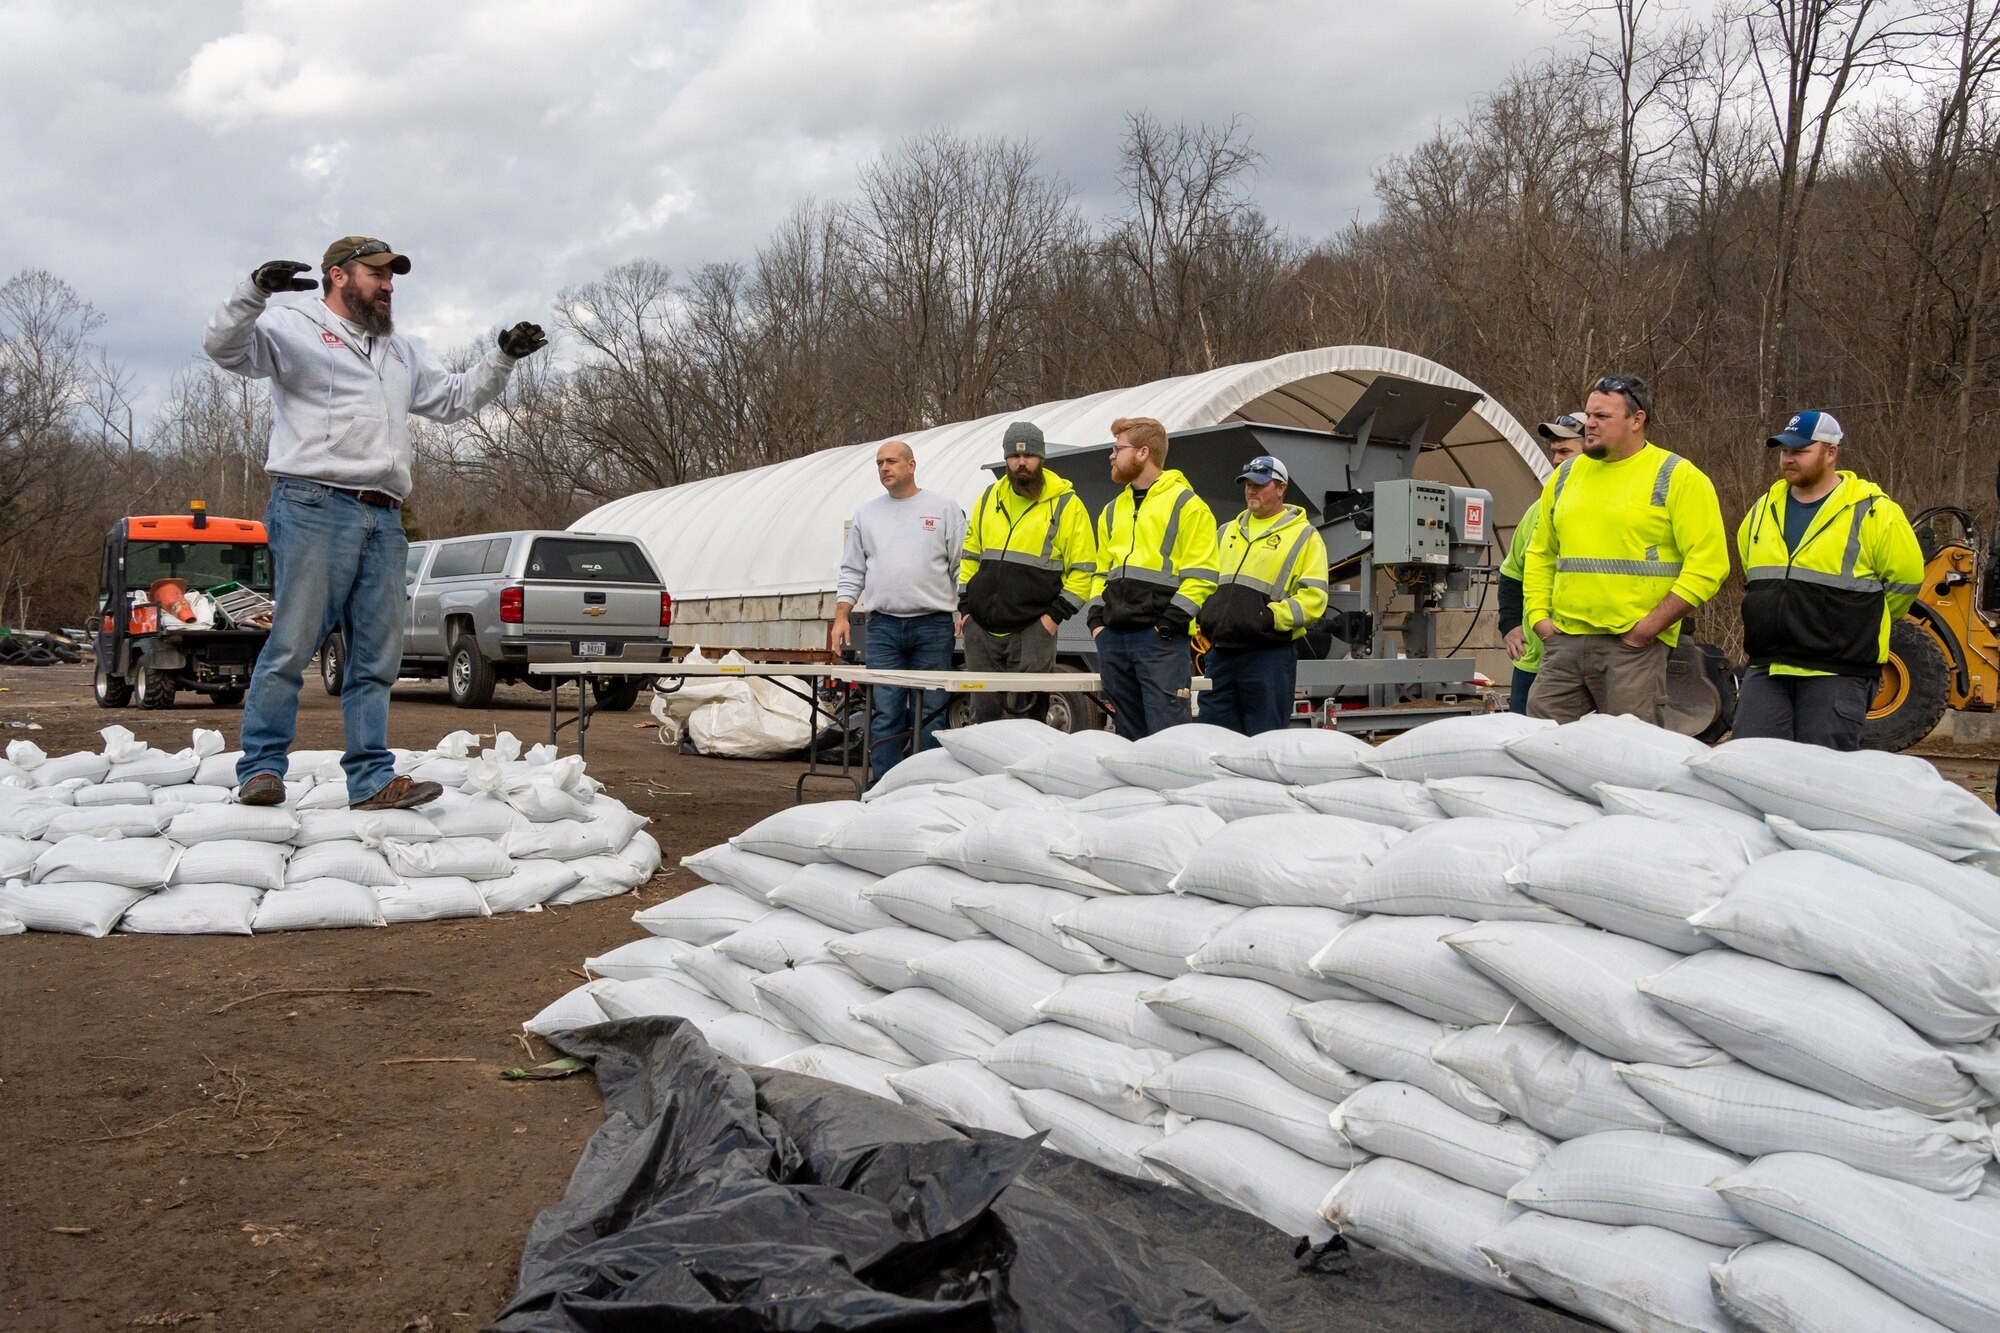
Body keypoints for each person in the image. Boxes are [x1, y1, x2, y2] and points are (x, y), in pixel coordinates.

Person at [204, 236, 545, 809]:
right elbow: (226, 350)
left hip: (384, 517)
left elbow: (456, 399)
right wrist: (254, 292)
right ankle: (260, 770)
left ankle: (370, 778)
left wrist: (503, 357)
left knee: (376, 656)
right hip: (313, 505)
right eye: (377, 275)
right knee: (292, 643)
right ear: (338, 276)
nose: (388, 287)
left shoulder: (399, 353)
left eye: (392, 278)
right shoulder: (295, 327)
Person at [1522, 375, 1729, 726]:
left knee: (1629, 755)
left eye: (1602, 416)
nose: (1589, 424)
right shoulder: (1566, 475)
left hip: (1632, 648)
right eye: (1589, 415)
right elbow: (1541, 553)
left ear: (1637, 420)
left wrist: (1646, 631)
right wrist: (1539, 618)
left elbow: (1708, 565)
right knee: (1540, 746)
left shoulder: (1677, 476)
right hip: (1564, 644)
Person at [1734, 410, 1924, 750]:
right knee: (1750, 766)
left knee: (1820, 780)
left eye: (1800, 451)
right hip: (1768, 666)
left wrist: (1855, 624)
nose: (1789, 459)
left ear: (1831, 452)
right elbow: (1755, 576)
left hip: (1837, 671)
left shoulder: (1874, 511)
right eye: (1784, 451)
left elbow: (1905, 582)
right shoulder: (1763, 509)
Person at [832, 440, 967, 782]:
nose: (884, 468)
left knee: (931, 711)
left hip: (933, 624)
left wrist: (964, 609)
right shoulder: (867, 514)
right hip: (883, 627)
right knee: (886, 711)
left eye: (891, 461)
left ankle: (925, 786)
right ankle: (885, 786)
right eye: (879, 463)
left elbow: (960, 567)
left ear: (911, 465)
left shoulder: (944, 509)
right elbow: (852, 570)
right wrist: (842, 615)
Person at [1086, 417, 1219, 739]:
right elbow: (1100, 571)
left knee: (1167, 734)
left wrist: (1168, 624)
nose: (1111, 456)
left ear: (1143, 452)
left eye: (1118, 448)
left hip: (1159, 641)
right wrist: (1096, 622)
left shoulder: (1188, 506)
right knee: (1128, 733)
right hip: (1114, 639)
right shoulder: (1111, 510)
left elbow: (1203, 574)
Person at [955, 422, 1097, 723]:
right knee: (984, 719)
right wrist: (966, 608)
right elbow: (969, 556)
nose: (1022, 463)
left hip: (1034, 629)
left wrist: (1053, 618)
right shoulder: (989, 497)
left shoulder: (1066, 505)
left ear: (1041, 458)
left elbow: (1084, 569)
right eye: (1014, 456)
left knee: (1030, 719)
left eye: (1029, 455)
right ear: (1006, 459)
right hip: (981, 629)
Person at [1196, 455, 1329, 735]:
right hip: (1220, 654)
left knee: (1265, 737)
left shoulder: (1304, 537)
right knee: (1213, 736)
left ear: (1281, 488)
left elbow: (1314, 598)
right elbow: (1204, 581)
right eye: (1247, 484)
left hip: (1267, 656)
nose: (1251, 490)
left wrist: (1268, 617)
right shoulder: (1226, 532)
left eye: (1260, 484)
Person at [1497, 415, 1585, 714]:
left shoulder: (1608, 507)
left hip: (1590, 657)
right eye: (1554, 452)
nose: (1556, 459)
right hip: (1536, 658)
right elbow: (1511, 573)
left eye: (1565, 452)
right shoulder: (1538, 509)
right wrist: (1509, 625)